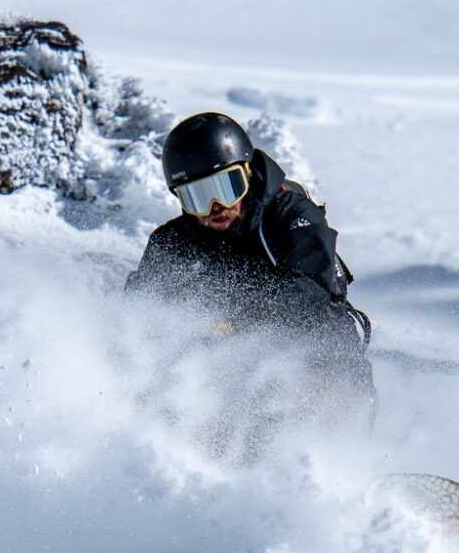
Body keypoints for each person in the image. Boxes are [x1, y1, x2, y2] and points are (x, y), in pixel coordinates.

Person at [127, 112, 374, 431]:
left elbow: (308, 288)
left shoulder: (291, 214)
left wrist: (238, 324)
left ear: (246, 174)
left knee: (326, 358)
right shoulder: (172, 242)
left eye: (226, 187)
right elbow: (139, 309)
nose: (216, 206)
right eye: (198, 196)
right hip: (223, 368)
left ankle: (340, 460)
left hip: (314, 349)